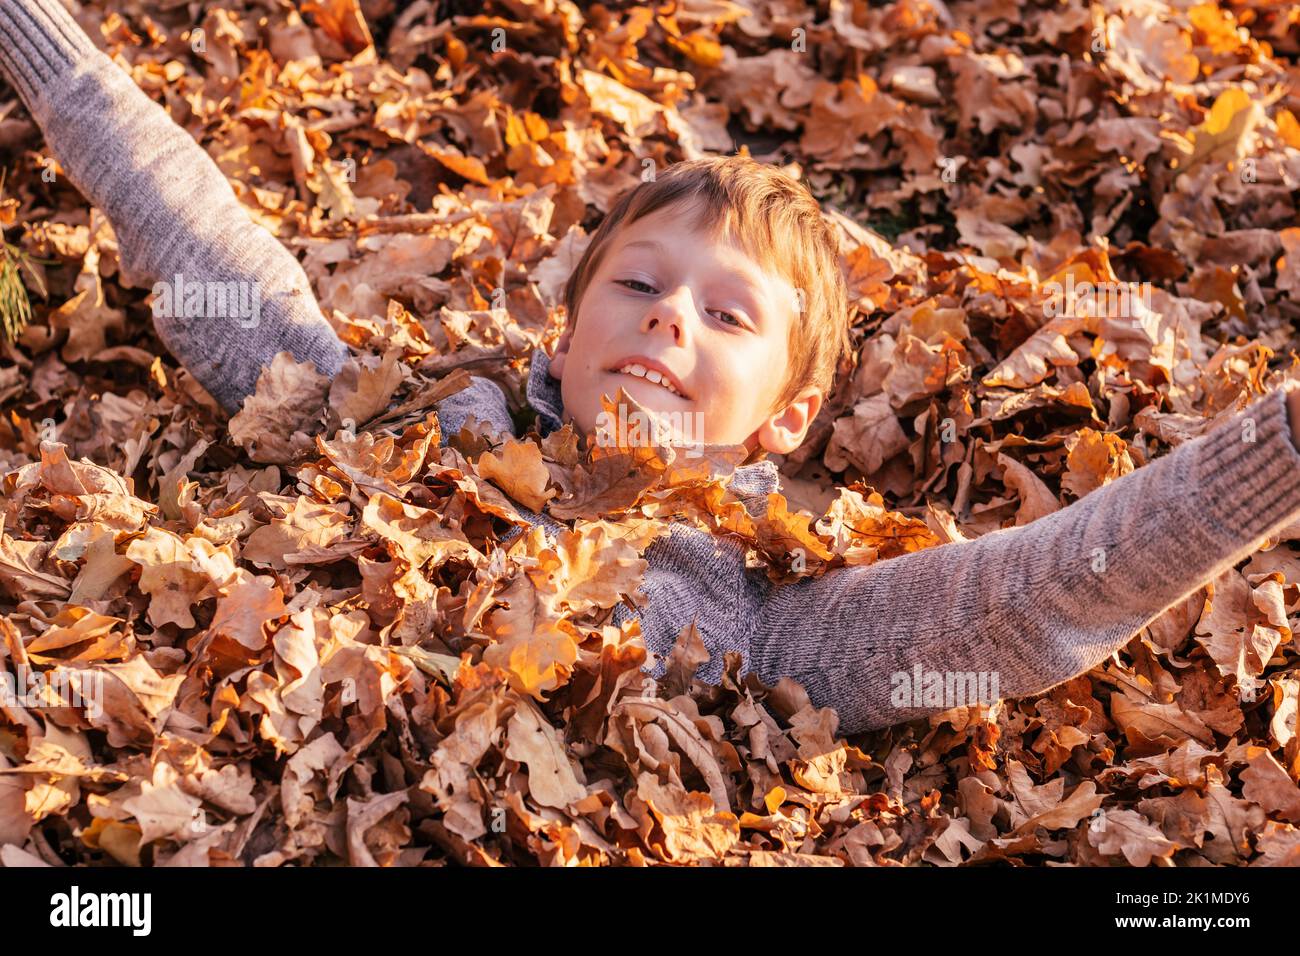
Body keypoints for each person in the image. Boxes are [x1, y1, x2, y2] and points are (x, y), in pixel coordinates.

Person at [5, 0, 1300, 737]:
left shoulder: (756, 618)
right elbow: (217, 258)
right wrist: (50, 54)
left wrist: (1279, 452)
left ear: (785, 423)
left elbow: (1020, 602)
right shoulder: (415, 422)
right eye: (636, 287)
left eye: (729, 318)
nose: (670, 320)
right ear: (565, 339)